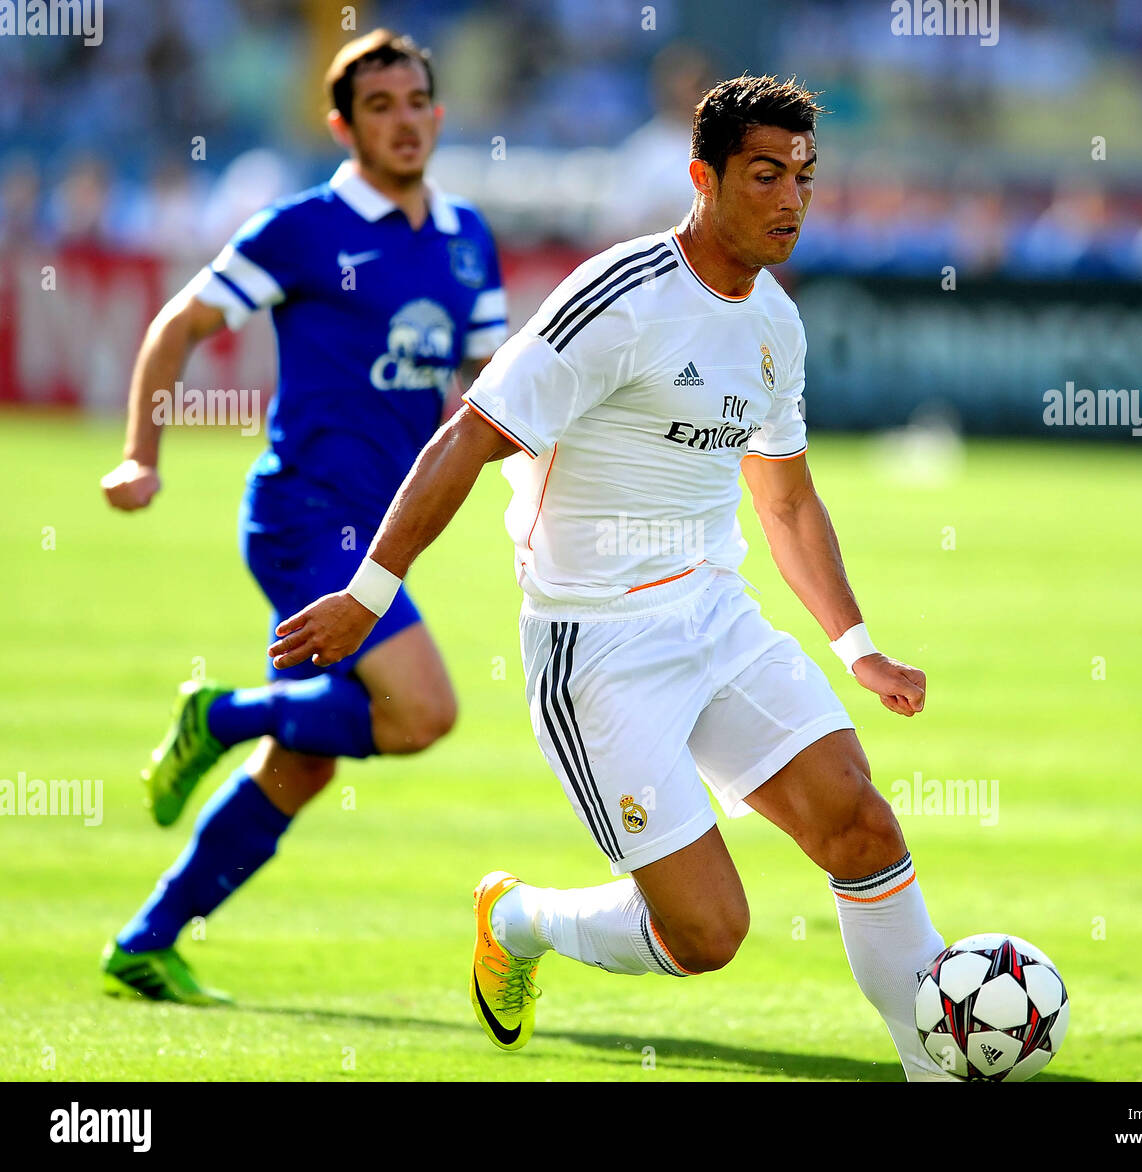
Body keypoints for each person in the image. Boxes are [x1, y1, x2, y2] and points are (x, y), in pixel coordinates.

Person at [269, 74, 953, 1081]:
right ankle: (519, 917)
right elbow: (467, 433)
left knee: (860, 822)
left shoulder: (775, 323)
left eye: (804, 177)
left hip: (715, 616)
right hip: (596, 648)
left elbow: (787, 502)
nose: (790, 200)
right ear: (702, 179)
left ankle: (937, 1060)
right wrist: (369, 592)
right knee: (709, 932)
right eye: (764, 174)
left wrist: (856, 645)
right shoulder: (620, 298)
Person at [97, 29, 507, 1004]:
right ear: (341, 123)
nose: (402, 121)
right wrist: (139, 453)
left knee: (306, 765)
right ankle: (219, 712)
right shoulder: (303, 228)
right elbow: (178, 325)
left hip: (385, 527)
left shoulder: (466, 237)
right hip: (303, 514)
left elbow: (490, 383)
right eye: (379, 106)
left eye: (415, 102)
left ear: (438, 115)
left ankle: (143, 942)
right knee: (421, 711)